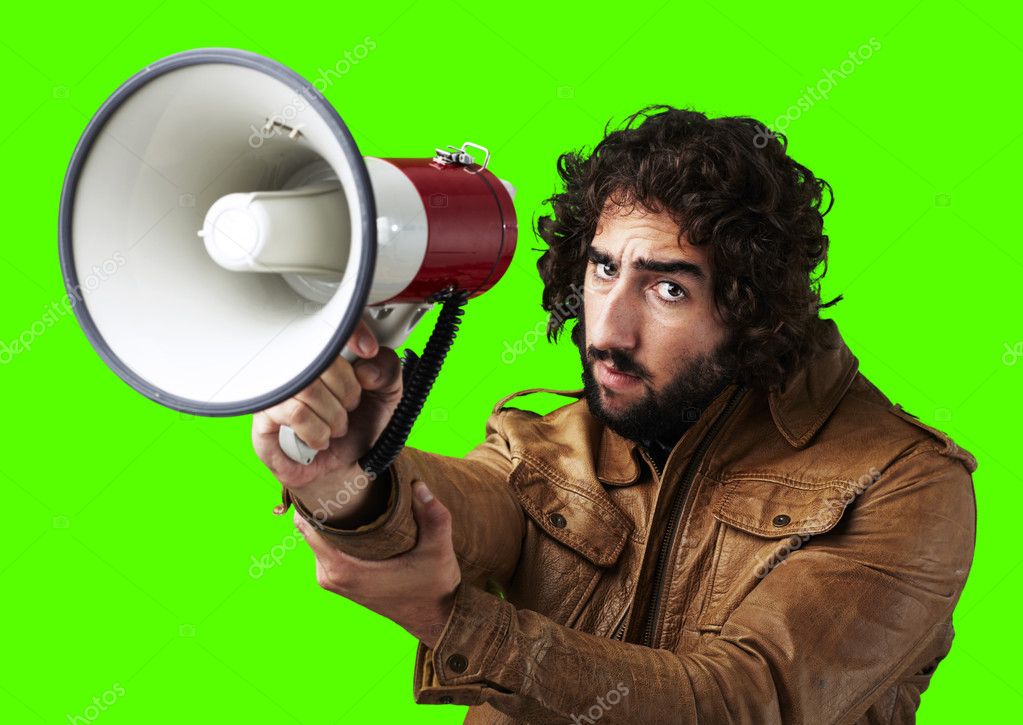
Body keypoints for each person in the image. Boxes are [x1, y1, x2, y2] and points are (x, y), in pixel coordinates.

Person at [252, 106, 977, 724]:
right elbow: (440, 512)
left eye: (667, 289)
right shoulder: (553, 440)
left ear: (751, 309)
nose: (608, 331)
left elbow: (743, 702)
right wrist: (346, 475)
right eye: (603, 270)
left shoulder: (899, 482)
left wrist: (451, 620)